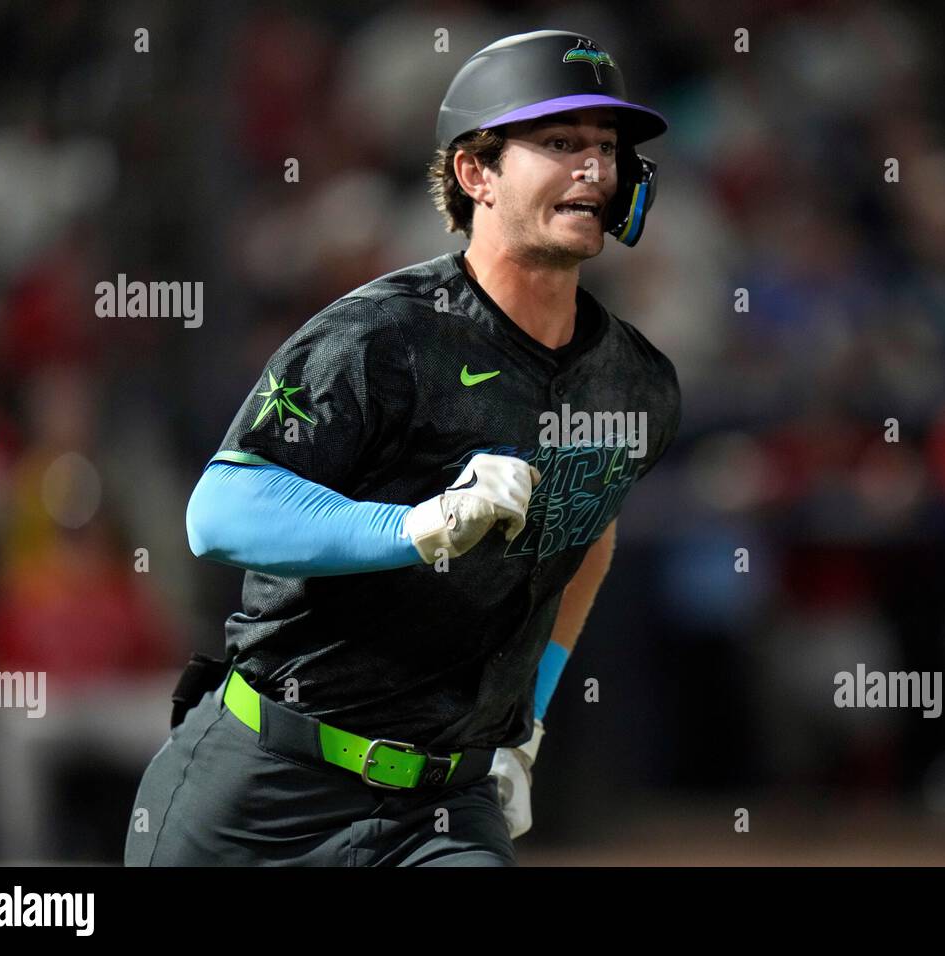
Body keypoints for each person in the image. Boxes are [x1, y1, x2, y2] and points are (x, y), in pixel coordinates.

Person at [125, 28, 680, 867]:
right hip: (262, 787)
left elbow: (586, 530)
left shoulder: (637, 383)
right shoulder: (379, 334)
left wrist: (524, 723)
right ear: (476, 173)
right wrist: (418, 527)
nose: (595, 169)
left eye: (607, 148)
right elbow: (220, 511)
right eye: (560, 143)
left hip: (442, 812)